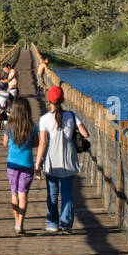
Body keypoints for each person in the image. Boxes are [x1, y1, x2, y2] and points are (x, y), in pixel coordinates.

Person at [33, 84, 89, 234]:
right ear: (63, 99)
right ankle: (66, 224)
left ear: (49, 100)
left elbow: (43, 143)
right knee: (67, 193)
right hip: (68, 159)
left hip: (51, 161)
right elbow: (86, 134)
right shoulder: (72, 115)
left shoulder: (44, 119)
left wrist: (37, 164)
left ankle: (52, 223)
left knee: (52, 193)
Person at [3, 96, 37, 234]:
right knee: (23, 194)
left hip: (12, 164)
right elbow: (36, 143)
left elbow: (5, 143)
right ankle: (21, 224)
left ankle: (16, 221)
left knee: (14, 193)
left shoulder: (9, 126)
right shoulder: (32, 126)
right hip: (27, 164)